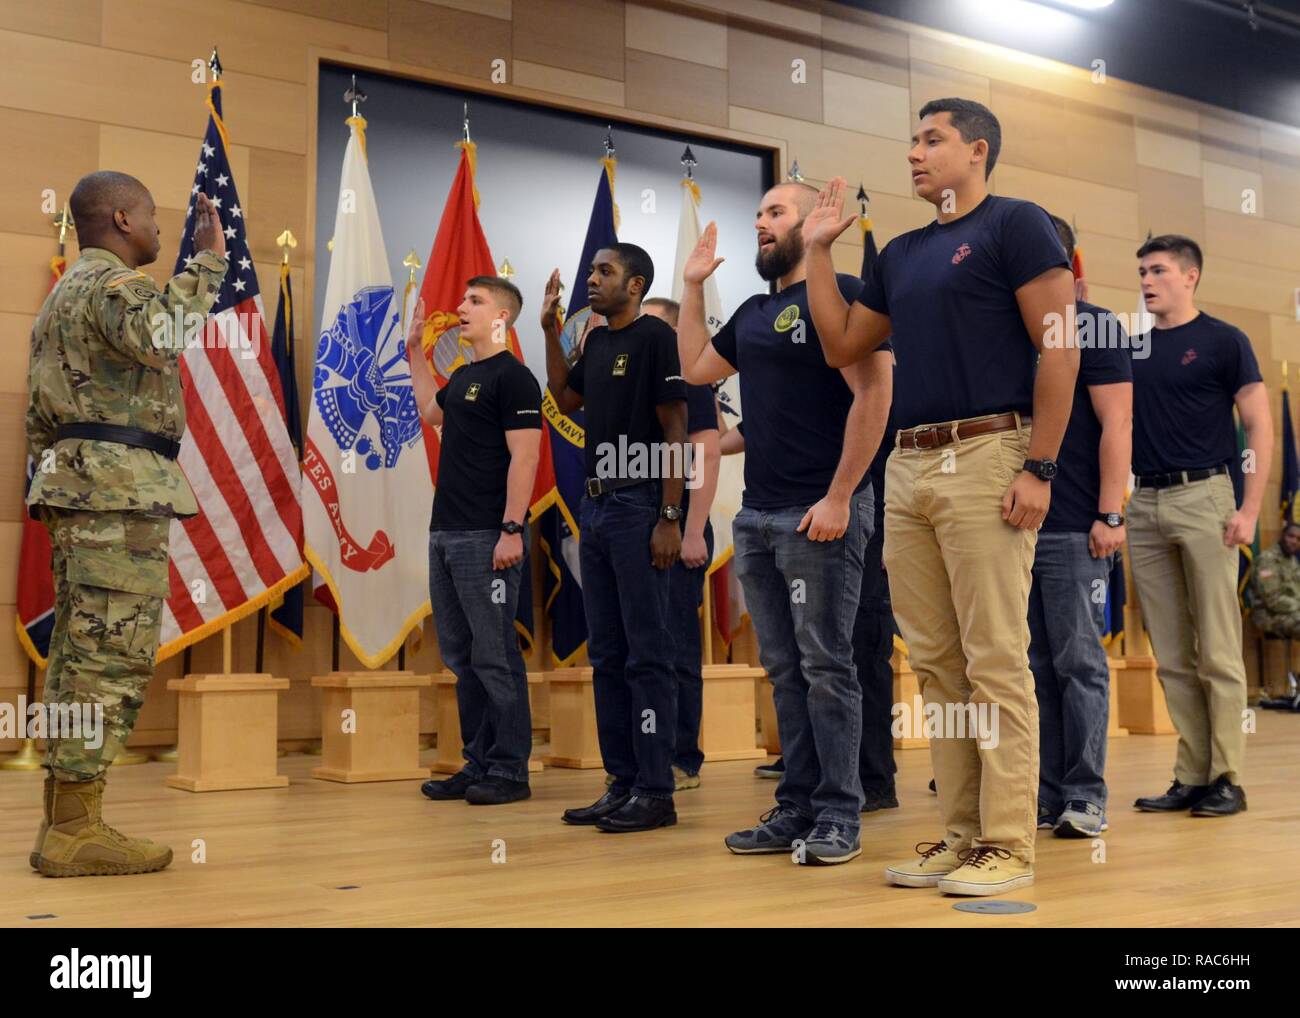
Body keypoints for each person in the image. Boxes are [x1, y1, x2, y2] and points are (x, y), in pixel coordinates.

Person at [803, 98, 1080, 895]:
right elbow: (842, 347)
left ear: (978, 150)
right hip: (910, 464)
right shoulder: (900, 251)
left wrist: (1042, 466)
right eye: (911, 141)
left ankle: (1008, 844)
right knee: (933, 662)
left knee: (995, 656)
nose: (916, 154)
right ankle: (961, 836)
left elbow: (1060, 348)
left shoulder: (1017, 224)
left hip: (992, 451)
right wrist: (819, 252)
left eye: (933, 140)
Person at [679, 182, 892, 866]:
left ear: (812, 222)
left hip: (821, 510)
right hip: (759, 516)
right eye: (758, 215)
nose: (761, 225)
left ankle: (838, 813)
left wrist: (839, 496)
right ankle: (797, 804)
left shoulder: (845, 291)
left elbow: (874, 392)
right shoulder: (751, 310)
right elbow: (694, 368)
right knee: (784, 667)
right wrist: (690, 288)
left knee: (829, 664)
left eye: (775, 213)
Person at [26, 171, 229, 877]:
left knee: (79, 656)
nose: (160, 230)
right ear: (120, 218)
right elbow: (165, 335)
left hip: (85, 491)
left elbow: (38, 415)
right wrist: (208, 263)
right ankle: (76, 829)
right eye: (151, 217)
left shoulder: (63, 294)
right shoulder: (114, 286)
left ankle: (67, 822)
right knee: (110, 654)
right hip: (115, 496)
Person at [544, 244, 688, 833]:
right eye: (592, 270)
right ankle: (621, 781)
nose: (592, 279)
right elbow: (564, 398)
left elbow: (676, 426)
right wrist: (552, 333)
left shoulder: (655, 337)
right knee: (606, 653)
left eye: (605, 272)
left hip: (639, 503)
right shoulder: (597, 342)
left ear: (636, 285)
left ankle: (657, 790)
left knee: (646, 655)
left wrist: (671, 515)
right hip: (596, 506)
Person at [1127, 234, 1271, 818]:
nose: (1146, 280)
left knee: (1217, 649)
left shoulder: (1224, 341)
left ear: (1190, 275)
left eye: (1157, 269)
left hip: (1207, 497)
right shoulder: (1130, 350)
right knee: (1171, 653)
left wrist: (1252, 509)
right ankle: (1191, 774)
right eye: (1140, 271)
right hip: (1143, 505)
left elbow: (1260, 428)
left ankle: (1228, 777)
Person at [408, 276, 542, 806]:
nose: (460, 307)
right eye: (463, 298)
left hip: (488, 534)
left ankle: (510, 770)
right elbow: (429, 411)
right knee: (462, 656)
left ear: (501, 318)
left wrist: (511, 528)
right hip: (446, 532)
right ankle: (478, 762)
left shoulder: (515, 378)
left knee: (494, 654)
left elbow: (526, 458)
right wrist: (415, 353)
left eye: (474, 301)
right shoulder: (464, 375)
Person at [1029, 215, 1133, 839]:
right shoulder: (1013, 321)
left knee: (1078, 664)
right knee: (1035, 667)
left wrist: (1109, 512)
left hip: (1076, 526)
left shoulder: (1093, 325)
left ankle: (1085, 794)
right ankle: (1045, 794)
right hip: (1019, 525)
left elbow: (1116, 425)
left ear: (1068, 263)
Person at [642, 297, 721, 791]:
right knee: (644, 646)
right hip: (638, 521)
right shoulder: (634, 380)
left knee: (676, 644)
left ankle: (683, 756)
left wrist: (692, 529)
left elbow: (706, 456)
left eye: (653, 324)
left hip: (680, 523)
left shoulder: (691, 377)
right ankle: (645, 754)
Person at [1251, 524, 1300, 709]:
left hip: (1291, 614)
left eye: (1298, 539)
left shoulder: (1292, 561)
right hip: (1269, 617)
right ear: (1282, 536)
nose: (1294, 541)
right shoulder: (1268, 560)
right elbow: (1272, 600)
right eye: (1291, 536)